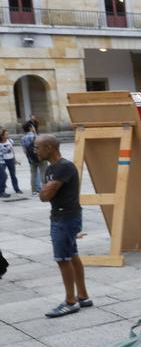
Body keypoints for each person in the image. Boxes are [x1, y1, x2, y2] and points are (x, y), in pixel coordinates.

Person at [36, 135, 93, 318]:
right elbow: (45, 194)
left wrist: (45, 191)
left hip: (65, 217)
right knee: (72, 254)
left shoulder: (63, 167)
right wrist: (45, 191)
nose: (35, 150)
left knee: (62, 258)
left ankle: (70, 301)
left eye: (38, 147)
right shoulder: (51, 169)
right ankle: (83, 296)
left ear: (50, 147)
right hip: (62, 216)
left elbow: (46, 194)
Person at [21, 120, 45, 194]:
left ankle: (33, 190)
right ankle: (45, 189)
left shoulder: (23, 138)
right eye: (32, 126)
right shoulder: (35, 136)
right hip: (39, 157)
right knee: (43, 172)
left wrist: (29, 157)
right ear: (31, 128)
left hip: (31, 158)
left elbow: (24, 150)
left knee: (33, 174)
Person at [0, 127, 21, 197]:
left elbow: (12, 151)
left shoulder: (11, 141)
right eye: (6, 134)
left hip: (11, 159)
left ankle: (17, 189)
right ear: (2, 136)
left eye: (7, 134)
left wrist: (15, 160)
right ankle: (2, 191)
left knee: (13, 175)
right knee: (3, 175)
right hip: (3, 161)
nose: (7, 136)